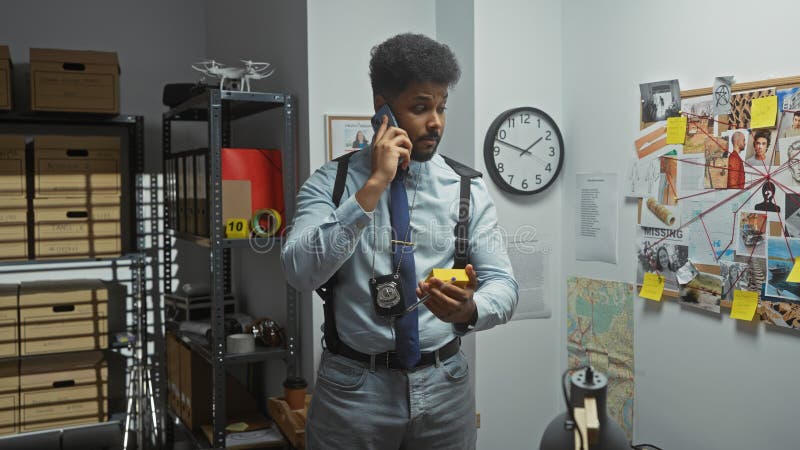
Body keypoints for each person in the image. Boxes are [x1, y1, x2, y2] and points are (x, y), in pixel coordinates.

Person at [281, 33, 518, 449]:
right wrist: (373, 187)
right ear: (382, 108)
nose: (436, 123)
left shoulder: (466, 188)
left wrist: (470, 308)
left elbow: (504, 284)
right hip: (353, 392)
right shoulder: (331, 184)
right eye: (421, 107)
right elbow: (299, 271)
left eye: (442, 107)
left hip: (446, 386)